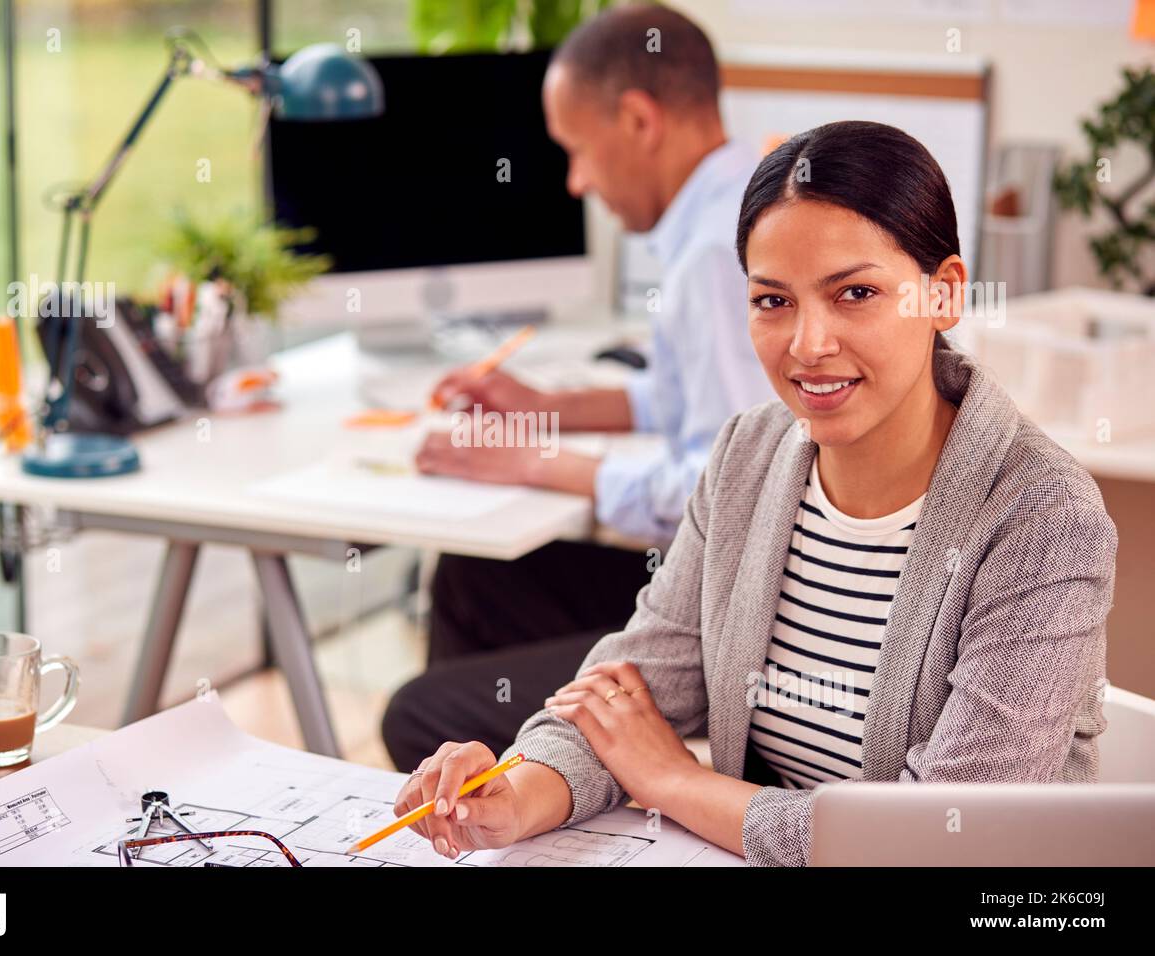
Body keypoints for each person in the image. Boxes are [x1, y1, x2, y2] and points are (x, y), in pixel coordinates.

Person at [388, 120, 1118, 866]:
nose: (808, 344)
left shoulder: (1043, 518)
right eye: (773, 301)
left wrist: (676, 782)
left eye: (856, 293)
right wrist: (517, 791)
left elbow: (943, 842)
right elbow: (628, 692)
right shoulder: (750, 454)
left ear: (944, 294)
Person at [382, 3, 772, 772]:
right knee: (477, 575)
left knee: (418, 710)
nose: (576, 181)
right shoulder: (725, 214)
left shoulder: (713, 257)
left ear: (637, 119)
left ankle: (509, 785)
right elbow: (690, 400)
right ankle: (531, 791)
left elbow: (726, 489)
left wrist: (535, 463)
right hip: (716, 587)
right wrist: (545, 411)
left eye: (578, 151)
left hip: (730, 621)